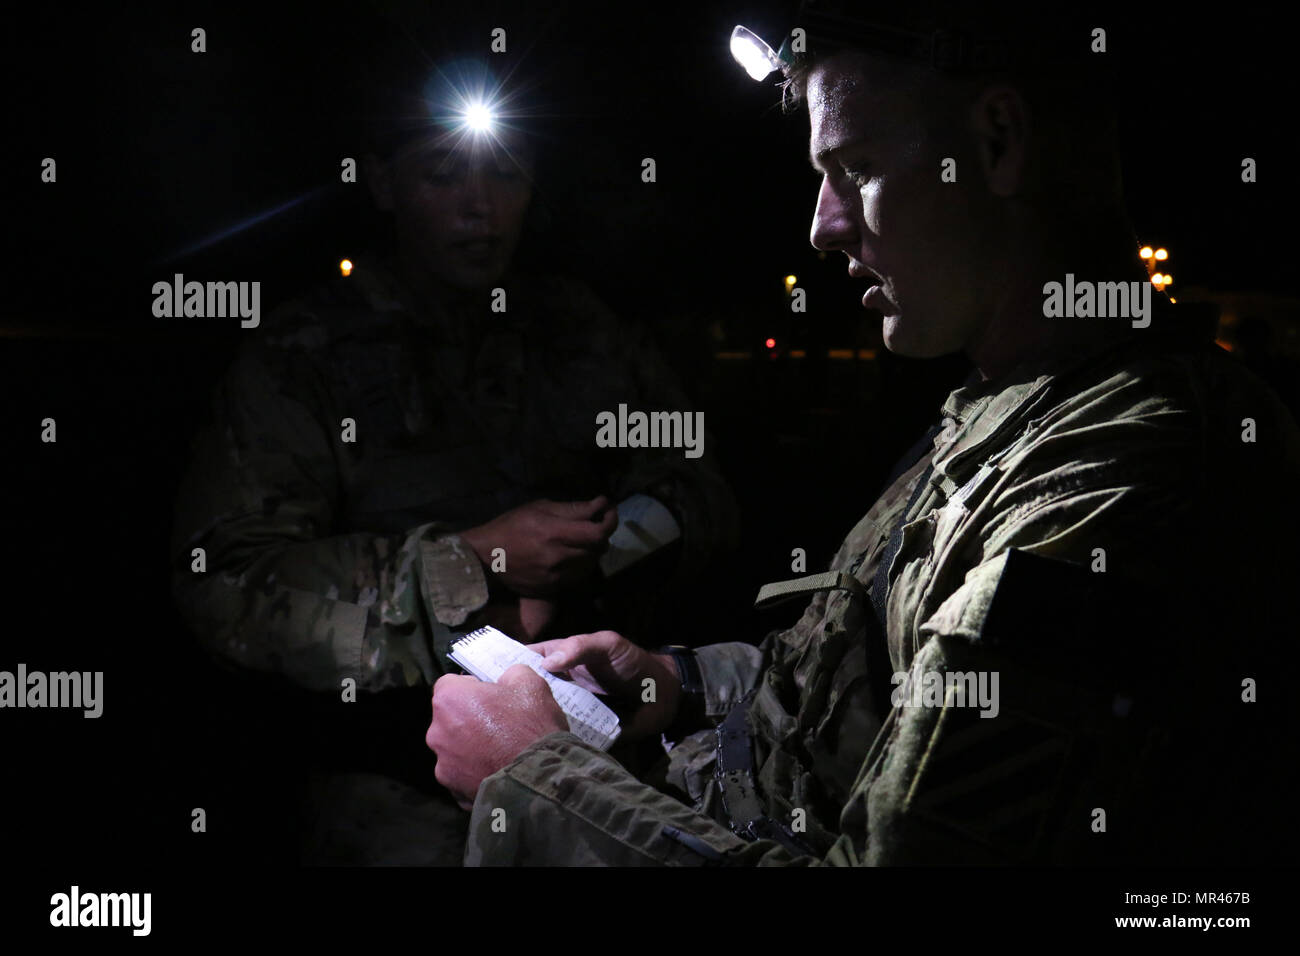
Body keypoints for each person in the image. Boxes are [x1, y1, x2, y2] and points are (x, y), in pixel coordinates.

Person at [425, 3, 1300, 865]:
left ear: (998, 142)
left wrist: (536, 778)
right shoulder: (1014, 400)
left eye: (857, 167)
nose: (822, 225)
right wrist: (675, 682)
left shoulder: (1122, 472)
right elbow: (870, 693)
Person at [169, 54, 738, 864]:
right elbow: (224, 585)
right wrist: (470, 567)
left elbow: (700, 488)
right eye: (442, 175)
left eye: (505, 172)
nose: (481, 205)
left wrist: (596, 552)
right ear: (384, 183)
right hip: (391, 801)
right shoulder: (304, 358)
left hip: (596, 776)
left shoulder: (581, 329)